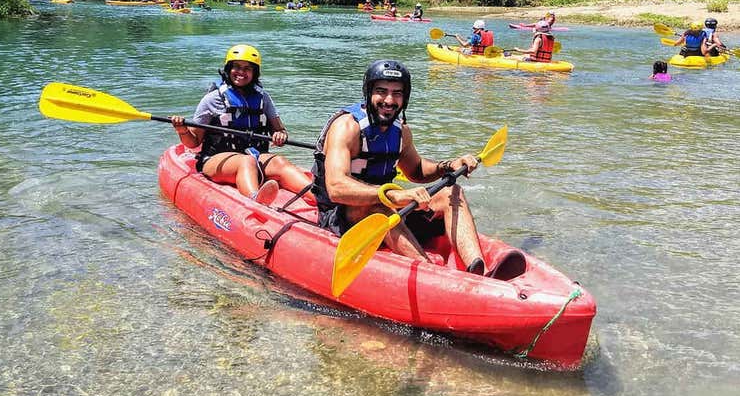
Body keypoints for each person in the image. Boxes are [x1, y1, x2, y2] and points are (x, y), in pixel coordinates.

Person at [311, 60, 524, 277]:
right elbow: (336, 188)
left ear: (405, 97)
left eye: (397, 93)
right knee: (381, 210)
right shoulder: (347, 127)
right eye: (381, 92)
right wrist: (391, 196)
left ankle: (480, 270)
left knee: (451, 192)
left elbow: (417, 170)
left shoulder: (401, 131)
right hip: (339, 215)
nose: (389, 100)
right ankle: (431, 274)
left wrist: (449, 166)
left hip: (388, 205)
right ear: (369, 92)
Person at [171, 44, 315, 206]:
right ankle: (255, 200)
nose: (241, 72)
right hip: (216, 160)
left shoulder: (263, 98)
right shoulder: (213, 99)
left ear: (254, 73)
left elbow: (279, 129)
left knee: (279, 162)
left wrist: (280, 135)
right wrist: (181, 129)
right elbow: (194, 142)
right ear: (228, 69)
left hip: (255, 156)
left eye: (247, 68)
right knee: (246, 161)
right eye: (236, 67)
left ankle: (322, 200)